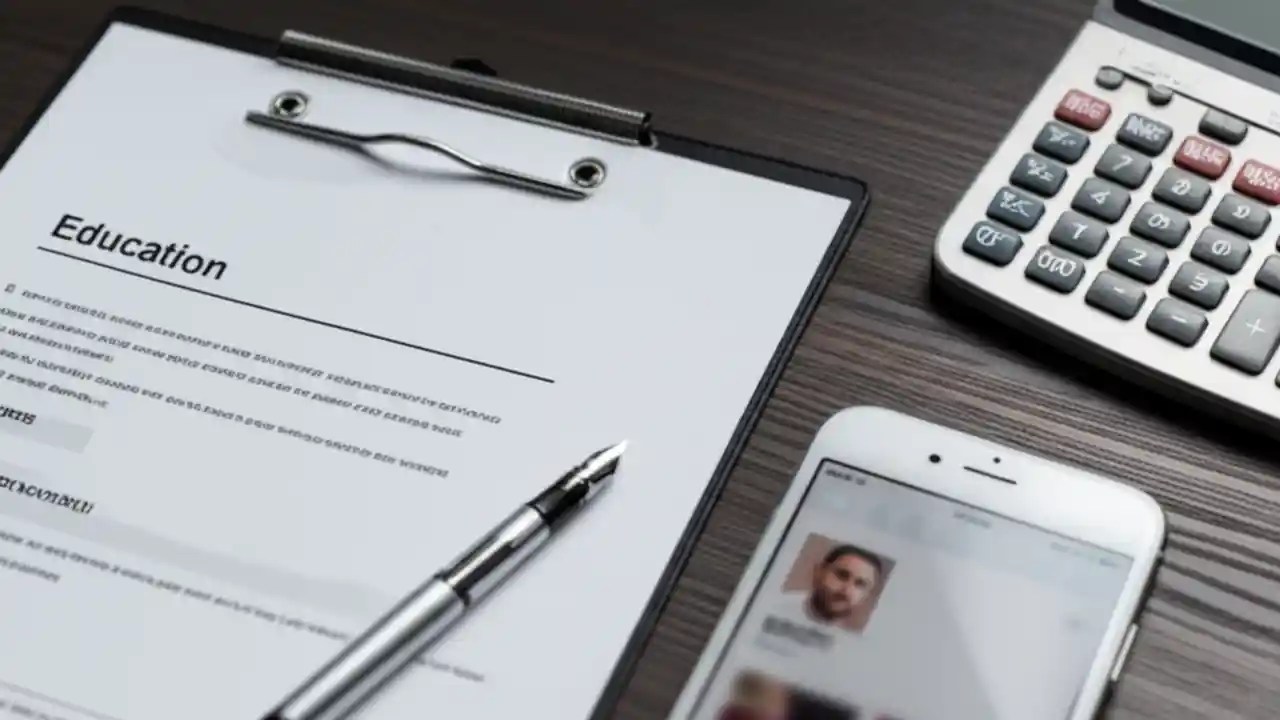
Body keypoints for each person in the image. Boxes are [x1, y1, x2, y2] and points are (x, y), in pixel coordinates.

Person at [786, 543, 883, 628]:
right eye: (842, 575)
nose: (846, 590)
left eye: (860, 584)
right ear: (819, 572)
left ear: (866, 595)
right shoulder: (777, 606)